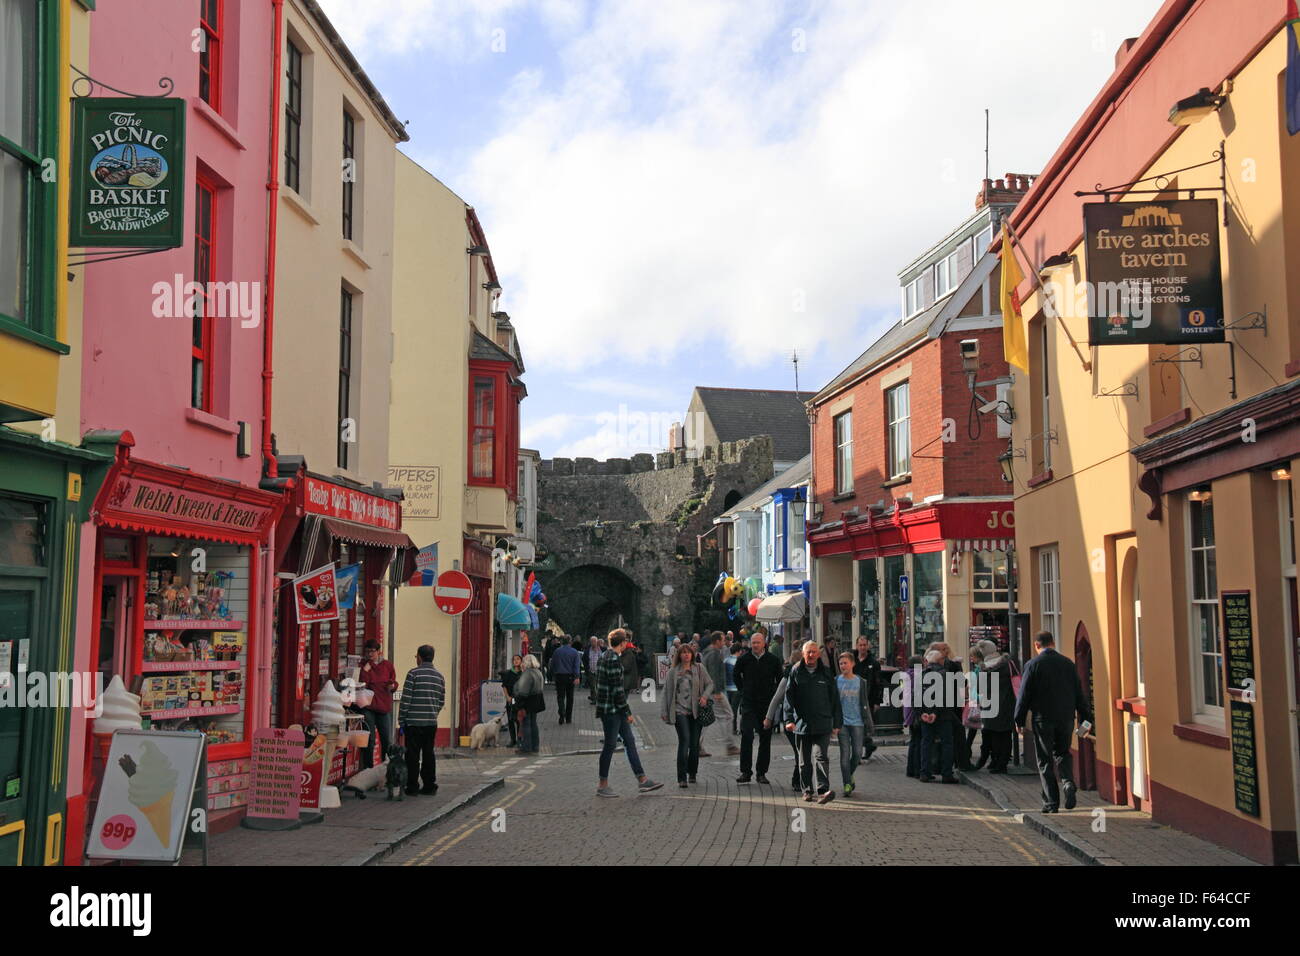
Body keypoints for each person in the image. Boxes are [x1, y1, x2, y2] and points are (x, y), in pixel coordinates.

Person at [1013, 630, 1093, 813]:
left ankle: (1051, 802)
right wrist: (1086, 719)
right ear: (1053, 643)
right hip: (1066, 717)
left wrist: (1018, 719)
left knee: (1045, 759)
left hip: (1043, 718)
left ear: (1036, 645)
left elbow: (1024, 695)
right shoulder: (1068, 664)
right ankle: (1068, 782)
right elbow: (1079, 693)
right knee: (1063, 753)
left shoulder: (1033, 665)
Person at [595, 628, 663, 797]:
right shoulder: (613, 660)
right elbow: (618, 690)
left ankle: (642, 780)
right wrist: (627, 712)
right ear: (623, 643)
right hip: (612, 710)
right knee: (610, 746)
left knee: (630, 742)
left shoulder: (605, 656)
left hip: (611, 709)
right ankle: (602, 785)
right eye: (626, 641)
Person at [783, 640, 842, 804]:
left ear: (818, 654)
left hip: (822, 722)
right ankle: (807, 790)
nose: (811, 655)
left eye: (814, 652)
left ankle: (823, 790)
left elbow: (834, 699)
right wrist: (788, 719)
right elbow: (788, 697)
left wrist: (837, 723)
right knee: (804, 761)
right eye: (808, 652)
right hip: (802, 724)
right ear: (803, 654)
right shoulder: (795, 671)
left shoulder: (826, 673)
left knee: (821, 756)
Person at [660, 643, 712, 787]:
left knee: (694, 744)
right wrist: (664, 711)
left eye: (688, 652)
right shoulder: (673, 671)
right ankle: (681, 777)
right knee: (685, 741)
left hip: (696, 711)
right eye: (683, 653)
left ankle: (692, 773)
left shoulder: (699, 668)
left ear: (692, 654)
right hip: (679, 711)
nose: (686, 655)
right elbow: (666, 692)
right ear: (679, 655)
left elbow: (710, 684)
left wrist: (705, 697)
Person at [397, 645, 445, 796]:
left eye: (416, 656)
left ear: (419, 657)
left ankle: (412, 786)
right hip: (431, 722)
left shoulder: (413, 674)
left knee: (412, 755)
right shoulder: (439, 676)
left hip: (413, 722)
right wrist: (432, 713)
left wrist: (401, 719)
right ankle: (430, 785)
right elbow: (441, 701)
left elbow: (406, 699)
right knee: (429, 754)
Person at [733, 632, 781, 784]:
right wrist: (743, 691)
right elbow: (736, 675)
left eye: (758, 642)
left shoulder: (773, 660)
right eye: (753, 642)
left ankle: (761, 772)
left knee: (765, 738)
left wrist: (773, 694)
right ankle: (745, 772)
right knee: (747, 735)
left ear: (764, 643)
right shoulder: (744, 659)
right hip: (749, 703)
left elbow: (780, 679)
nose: (755, 645)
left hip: (766, 705)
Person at [917, 649, 959, 784]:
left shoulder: (922, 674)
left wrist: (922, 713)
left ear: (928, 661)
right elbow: (946, 696)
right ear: (940, 661)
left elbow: (915, 697)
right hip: (943, 715)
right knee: (947, 743)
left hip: (925, 715)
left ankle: (925, 773)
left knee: (926, 743)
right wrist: (936, 712)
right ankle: (946, 774)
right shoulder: (945, 674)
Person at [766, 648, 804, 789]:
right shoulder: (787, 677)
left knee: (801, 751)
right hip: (791, 720)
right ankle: (798, 780)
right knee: (799, 751)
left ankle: (800, 780)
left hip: (805, 719)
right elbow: (776, 698)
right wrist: (769, 718)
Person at [977, 639, 1016, 773]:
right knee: (1005, 735)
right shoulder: (1008, 664)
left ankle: (994, 761)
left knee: (991, 734)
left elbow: (980, 689)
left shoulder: (983, 668)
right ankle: (1002, 763)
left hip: (989, 705)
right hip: (1006, 704)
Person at [700, 632, 740, 758]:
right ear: (717, 641)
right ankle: (729, 745)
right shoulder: (715, 654)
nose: (724, 643)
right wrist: (717, 691)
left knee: (709, 718)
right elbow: (713, 673)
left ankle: (698, 745)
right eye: (722, 640)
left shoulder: (707, 652)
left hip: (709, 690)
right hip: (715, 691)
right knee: (728, 715)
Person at [358, 638, 396, 770]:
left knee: (386, 740)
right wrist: (366, 670)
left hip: (383, 707)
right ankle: (368, 769)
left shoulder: (387, 665)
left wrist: (393, 686)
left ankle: (387, 769)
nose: (369, 654)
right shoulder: (363, 665)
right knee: (370, 740)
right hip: (368, 706)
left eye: (372, 652)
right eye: (367, 651)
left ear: (379, 652)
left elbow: (393, 681)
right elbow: (363, 683)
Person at [836, 652, 870, 796]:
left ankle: (849, 775)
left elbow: (865, 703)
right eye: (841, 663)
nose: (843, 666)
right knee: (845, 754)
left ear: (852, 664)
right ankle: (847, 785)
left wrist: (868, 720)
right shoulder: (836, 680)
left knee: (857, 754)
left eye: (845, 663)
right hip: (842, 722)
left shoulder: (861, 681)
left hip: (858, 722)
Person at [851, 636, 881, 762]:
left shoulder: (873, 663)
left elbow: (878, 683)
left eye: (864, 645)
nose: (862, 647)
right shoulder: (852, 661)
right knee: (855, 726)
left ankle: (864, 748)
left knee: (861, 726)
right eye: (860, 645)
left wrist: (877, 702)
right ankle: (868, 745)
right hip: (852, 698)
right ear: (857, 646)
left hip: (867, 699)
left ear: (868, 646)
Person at [513, 655, 544, 754]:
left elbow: (522, 692)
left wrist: (518, 704)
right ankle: (535, 746)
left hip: (527, 701)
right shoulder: (538, 672)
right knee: (533, 724)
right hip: (536, 701)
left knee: (526, 724)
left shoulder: (527, 674)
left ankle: (526, 747)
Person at [550, 636, 582, 724]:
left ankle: (561, 713)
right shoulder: (574, 652)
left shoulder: (557, 651)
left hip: (559, 676)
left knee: (560, 696)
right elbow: (576, 666)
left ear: (562, 642)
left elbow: (553, 664)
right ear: (570, 642)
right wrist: (577, 677)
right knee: (570, 697)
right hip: (570, 677)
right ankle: (568, 717)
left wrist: (553, 673)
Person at [902, 655, 924, 777]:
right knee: (918, 741)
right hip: (915, 712)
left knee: (914, 741)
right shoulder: (917, 676)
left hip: (908, 711)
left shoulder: (907, 675)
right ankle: (917, 769)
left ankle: (910, 769)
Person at [965, 647, 986, 769]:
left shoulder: (979, 668)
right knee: (973, 726)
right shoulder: (977, 668)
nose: (971, 658)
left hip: (977, 700)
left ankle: (968, 749)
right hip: (975, 700)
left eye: (972, 656)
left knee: (974, 727)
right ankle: (968, 749)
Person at [499, 653, 524, 747]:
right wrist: (507, 697)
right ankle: (512, 739)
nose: (516, 661)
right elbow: (504, 686)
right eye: (514, 659)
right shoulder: (508, 673)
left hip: (519, 699)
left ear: (521, 661)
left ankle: (519, 739)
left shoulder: (523, 673)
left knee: (519, 720)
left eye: (518, 659)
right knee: (510, 719)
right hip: (511, 699)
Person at [725, 642, 743, 734]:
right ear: (739, 651)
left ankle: (731, 728)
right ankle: (735, 729)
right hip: (737, 688)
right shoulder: (740, 661)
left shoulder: (726, 660)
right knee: (736, 709)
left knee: (730, 709)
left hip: (727, 689)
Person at [585, 636, 602, 704]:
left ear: (596, 642)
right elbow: (586, 659)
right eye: (591, 641)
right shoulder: (588, 650)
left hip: (598, 671)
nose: (593, 643)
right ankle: (594, 698)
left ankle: (596, 699)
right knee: (592, 685)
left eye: (594, 641)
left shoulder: (599, 650)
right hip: (591, 670)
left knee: (597, 686)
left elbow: (601, 659)